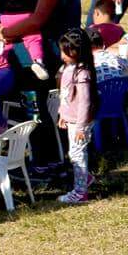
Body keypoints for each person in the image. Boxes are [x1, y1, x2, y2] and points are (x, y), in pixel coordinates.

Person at [56, 28, 99, 204]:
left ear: (74, 52)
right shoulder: (68, 68)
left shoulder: (82, 73)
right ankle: (84, 179)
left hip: (80, 122)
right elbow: (66, 95)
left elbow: (84, 102)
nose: (61, 55)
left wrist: (81, 127)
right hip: (72, 120)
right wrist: (63, 114)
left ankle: (80, 192)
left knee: (78, 154)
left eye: (64, 52)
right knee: (74, 153)